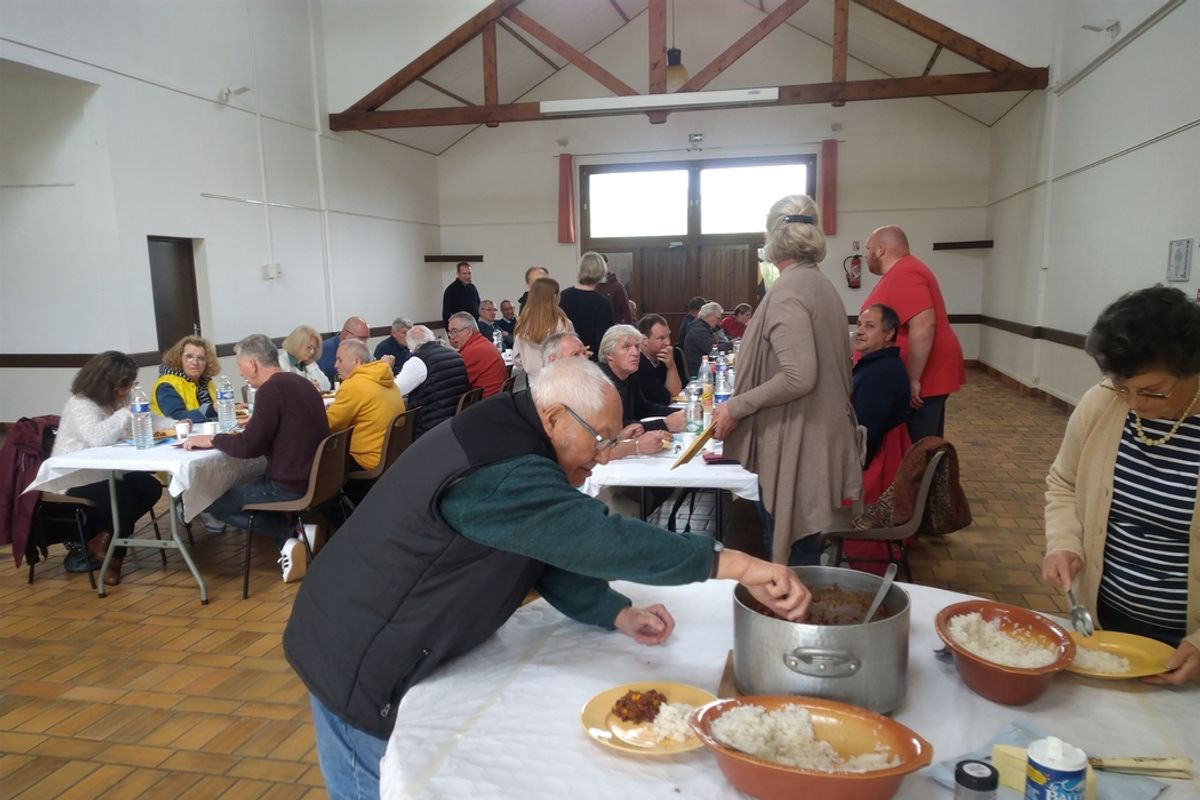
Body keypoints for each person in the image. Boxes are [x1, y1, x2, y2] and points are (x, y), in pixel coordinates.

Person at [281, 358, 813, 798]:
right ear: (556, 417)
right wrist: (740, 564)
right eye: (599, 440)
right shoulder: (507, 467)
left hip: (377, 631)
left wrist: (614, 612)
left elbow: (542, 548)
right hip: (357, 653)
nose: (603, 457)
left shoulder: (520, 433)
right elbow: (598, 539)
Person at [1042, 286, 1200, 686]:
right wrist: (1063, 542)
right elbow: (1063, 482)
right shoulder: (1102, 404)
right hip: (1106, 621)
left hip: (1186, 641)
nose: (1134, 404)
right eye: (1122, 387)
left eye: (1152, 391)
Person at [713, 195, 862, 566]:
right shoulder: (820, 285)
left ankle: (791, 618)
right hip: (815, 434)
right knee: (803, 547)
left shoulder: (788, 291)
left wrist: (736, 405)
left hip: (799, 440)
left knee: (793, 553)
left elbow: (798, 377)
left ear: (772, 237)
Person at [185, 334, 328, 583]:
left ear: (252, 363)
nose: (241, 373)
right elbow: (286, 423)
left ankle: (289, 534)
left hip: (290, 483)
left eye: (240, 365)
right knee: (237, 487)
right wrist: (255, 422)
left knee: (210, 500)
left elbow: (249, 446)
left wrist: (213, 439)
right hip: (316, 476)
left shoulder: (270, 390)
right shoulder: (300, 382)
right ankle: (295, 535)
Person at [52, 351, 163, 586]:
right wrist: (125, 413)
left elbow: (150, 419)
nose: (126, 391)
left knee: (150, 487)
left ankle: (102, 537)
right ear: (106, 383)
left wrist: (178, 425)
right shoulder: (81, 404)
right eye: (123, 386)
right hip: (75, 477)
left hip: (110, 471)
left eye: (129, 384)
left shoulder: (122, 397)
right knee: (122, 499)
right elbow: (97, 438)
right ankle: (114, 560)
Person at [859, 225, 965, 441]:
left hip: (926, 375)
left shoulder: (905, 272)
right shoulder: (903, 271)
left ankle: (922, 476)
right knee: (925, 441)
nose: (865, 255)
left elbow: (924, 325)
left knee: (919, 445)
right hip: (926, 372)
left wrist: (913, 379)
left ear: (881, 250)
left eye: (868, 249)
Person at [327, 339, 406, 474]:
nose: (335, 365)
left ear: (356, 361)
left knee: (315, 459)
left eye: (339, 360)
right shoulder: (387, 380)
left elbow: (328, 424)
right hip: (393, 457)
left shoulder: (354, 385)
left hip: (366, 460)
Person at [852, 304, 911, 477]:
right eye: (858, 325)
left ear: (889, 334)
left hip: (874, 469)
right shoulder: (878, 364)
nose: (859, 331)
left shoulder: (881, 374)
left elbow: (866, 436)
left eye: (869, 326)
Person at [598, 325, 684, 435]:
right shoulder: (600, 381)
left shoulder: (630, 375)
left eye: (637, 347)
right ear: (609, 354)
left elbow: (643, 408)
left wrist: (682, 412)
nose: (635, 353)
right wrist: (665, 424)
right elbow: (614, 427)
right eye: (626, 347)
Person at [398, 326, 471, 439]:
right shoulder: (455, 355)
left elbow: (397, 390)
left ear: (411, 346)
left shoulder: (418, 360)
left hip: (431, 424)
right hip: (456, 419)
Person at [513, 277, 574, 382]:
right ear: (554, 297)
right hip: (560, 383)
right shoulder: (563, 324)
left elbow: (518, 360)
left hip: (534, 384)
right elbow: (571, 354)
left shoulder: (522, 326)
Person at [150, 335, 219, 423]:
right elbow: (177, 418)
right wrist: (213, 409)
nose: (195, 362)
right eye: (189, 357)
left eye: (201, 358)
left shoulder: (206, 382)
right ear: (179, 358)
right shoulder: (166, 385)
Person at [558, 252, 614, 359]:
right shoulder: (602, 303)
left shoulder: (563, 296)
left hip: (565, 356)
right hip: (591, 359)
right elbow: (605, 341)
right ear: (601, 272)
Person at [447, 312, 507, 398]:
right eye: (450, 333)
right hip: (498, 400)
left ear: (468, 331)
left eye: (455, 332)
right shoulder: (482, 342)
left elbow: (452, 385)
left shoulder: (472, 350)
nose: (452, 337)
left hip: (487, 405)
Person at [637, 314, 684, 406]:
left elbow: (675, 393)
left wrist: (671, 366)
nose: (668, 342)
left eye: (668, 336)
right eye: (661, 338)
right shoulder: (638, 363)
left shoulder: (664, 356)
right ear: (644, 340)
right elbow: (664, 399)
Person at [682, 301, 731, 379]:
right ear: (709, 315)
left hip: (706, 365)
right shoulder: (698, 330)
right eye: (718, 318)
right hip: (700, 370)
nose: (719, 322)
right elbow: (713, 351)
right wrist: (731, 344)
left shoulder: (702, 327)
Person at [318, 316, 370, 386]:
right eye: (361, 338)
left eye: (366, 338)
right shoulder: (327, 348)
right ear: (346, 334)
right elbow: (334, 375)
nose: (364, 343)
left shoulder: (360, 349)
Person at [279, 325, 332, 391]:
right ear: (297, 344)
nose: (312, 352)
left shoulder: (307, 362)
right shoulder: (281, 363)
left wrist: (312, 365)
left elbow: (326, 387)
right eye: (309, 347)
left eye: (314, 348)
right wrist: (306, 386)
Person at [442, 261, 480, 326]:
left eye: (469, 273)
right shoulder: (450, 290)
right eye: (464, 274)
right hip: (460, 328)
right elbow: (446, 314)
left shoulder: (472, 288)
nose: (467, 276)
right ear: (458, 274)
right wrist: (450, 333)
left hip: (475, 326)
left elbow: (479, 307)